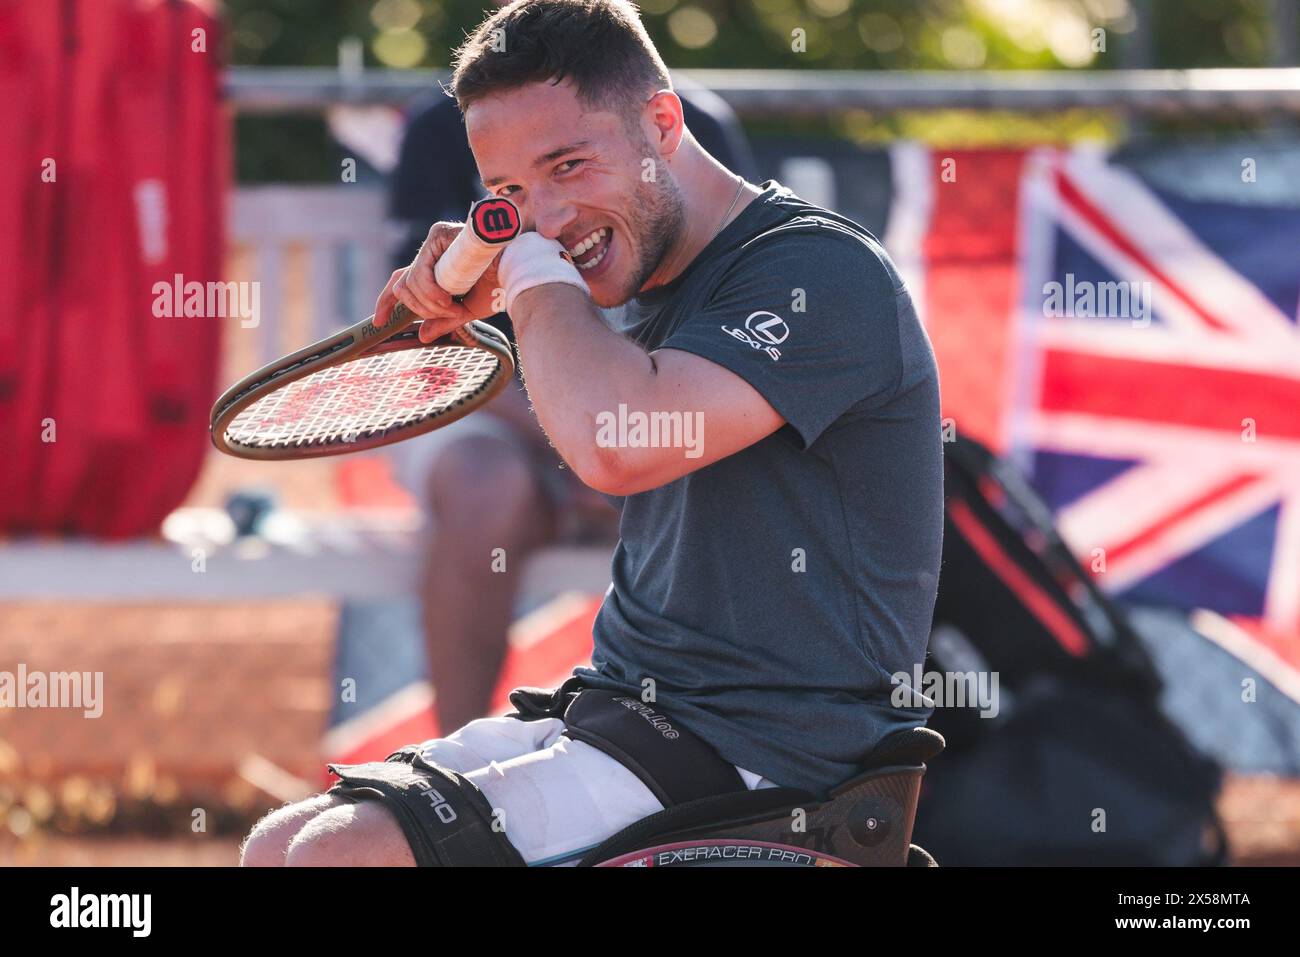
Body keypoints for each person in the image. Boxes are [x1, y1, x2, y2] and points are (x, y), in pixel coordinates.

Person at [240, 0, 943, 867]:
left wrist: (525, 261)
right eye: (507, 194)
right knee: (280, 845)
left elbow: (615, 438)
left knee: (339, 857)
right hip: (629, 709)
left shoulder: (819, 272)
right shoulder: (643, 263)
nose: (547, 211)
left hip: (771, 762)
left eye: (569, 164)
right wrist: (502, 288)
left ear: (662, 120)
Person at [388, 68, 758, 734]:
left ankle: (711, 753)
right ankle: (446, 763)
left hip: (652, 406)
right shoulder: (445, 126)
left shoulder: (688, 119)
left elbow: (723, 334)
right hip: (499, 413)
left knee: (719, 486)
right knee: (484, 486)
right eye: (508, 188)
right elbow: (431, 340)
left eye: (570, 167)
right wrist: (580, 441)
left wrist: (624, 447)